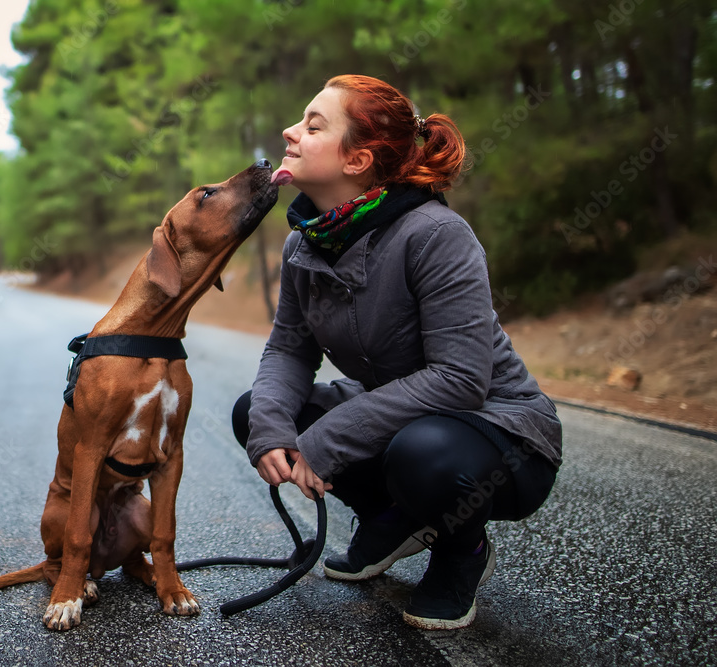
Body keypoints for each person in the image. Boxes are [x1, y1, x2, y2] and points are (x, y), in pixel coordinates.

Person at [231, 74, 562, 630]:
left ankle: (463, 554)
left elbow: (461, 379)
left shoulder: (435, 233)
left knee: (422, 453)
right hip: (401, 417)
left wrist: (330, 437)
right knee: (256, 411)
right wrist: (271, 427)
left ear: (357, 161)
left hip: (498, 434)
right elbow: (289, 349)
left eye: (313, 126)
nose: (290, 131)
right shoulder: (304, 242)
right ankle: (388, 517)